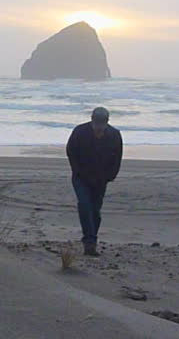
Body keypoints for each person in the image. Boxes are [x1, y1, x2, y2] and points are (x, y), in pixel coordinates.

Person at [66, 107, 123, 256]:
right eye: (96, 123)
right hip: (81, 177)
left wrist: (110, 176)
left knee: (95, 211)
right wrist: (78, 171)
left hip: (100, 179)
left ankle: (92, 240)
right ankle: (89, 242)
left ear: (107, 122)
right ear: (92, 120)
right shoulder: (79, 132)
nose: (99, 127)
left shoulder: (115, 135)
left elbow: (117, 158)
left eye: (102, 124)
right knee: (84, 205)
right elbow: (71, 152)